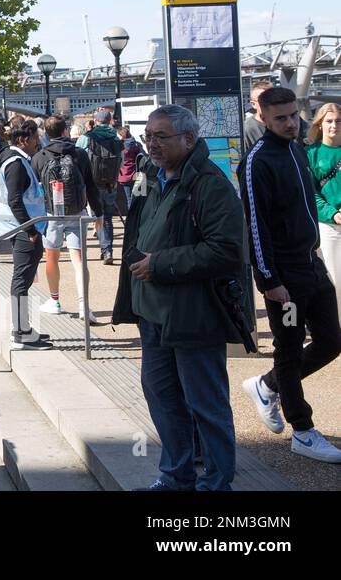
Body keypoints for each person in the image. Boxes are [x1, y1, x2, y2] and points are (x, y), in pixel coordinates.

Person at [111, 104, 245, 490]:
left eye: (161, 136)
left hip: (193, 315)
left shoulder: (209, 184)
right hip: (153, 314)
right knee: (162, 398)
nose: (151, 143)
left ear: (189, 139)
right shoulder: (153, 176)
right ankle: (175, 476)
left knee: (206, 404)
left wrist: (162, 264)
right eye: (148, 135)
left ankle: (218, 483)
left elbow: (227, 251)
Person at [239, 87, 341, 463]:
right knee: (288, 347)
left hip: (311, 264)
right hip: (284, 275)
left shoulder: (298, 149)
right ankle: (302, 429)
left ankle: (267, 385)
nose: (289, 123)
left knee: (332, 340)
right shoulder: (257, 160)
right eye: (279, 118)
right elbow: (256, 225)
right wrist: (269, 280)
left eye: (293, 116)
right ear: (263, 118)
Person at [32, 115, 103, 323]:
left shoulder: (40, 157)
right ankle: (84, 305)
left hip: (52, 214)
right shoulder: (79, 154)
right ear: (65, 131)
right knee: (79, 260)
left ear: (46, 133)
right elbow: (90, 185)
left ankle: (54, 300)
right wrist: (98, 213)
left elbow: (35, 191)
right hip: (77, 213)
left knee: (51, 257)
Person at [0, 124, 51, 349]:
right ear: (23, 140)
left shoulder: (15, 160)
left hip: (21, 227)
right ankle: (20, 331)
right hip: (23, 229)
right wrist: (29, 230)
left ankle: (23, 328)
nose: (38, 142)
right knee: (21, 279)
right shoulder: (16, 163)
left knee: (24, 279)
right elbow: (14, 199)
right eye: (35, 138)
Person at [306, 102, 341, 321]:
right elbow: (311, 194)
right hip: (329, 226)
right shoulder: (311, 153)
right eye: (329, 121)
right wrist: (332, 213)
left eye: (338, 121)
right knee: (335, 280)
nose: (334, 125)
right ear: (319, 124)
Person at [79, 108, 125, 263]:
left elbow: (78, 156)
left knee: (98, 216)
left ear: (96, 121)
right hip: (111, 183)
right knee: (108, 218)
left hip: (93, 183)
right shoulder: (117, 139)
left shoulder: (87, 137)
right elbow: (122, 162)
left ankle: (105, 250)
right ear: (110, 121)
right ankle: (108, 249)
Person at [118, 123, 143, 212]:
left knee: (129, 199)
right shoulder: (136, 144)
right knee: (137, 197)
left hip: (125, 175)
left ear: (121, 135)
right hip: (136, 174)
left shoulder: (121, 147)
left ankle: (131, 217)